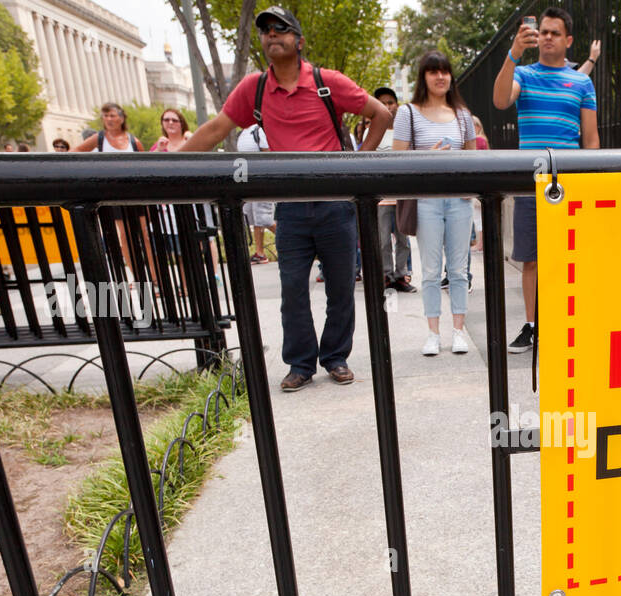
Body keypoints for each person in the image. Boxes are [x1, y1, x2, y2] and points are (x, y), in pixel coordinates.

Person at [179, 4, 392, 391]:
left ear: (299, 40)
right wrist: (170, 164)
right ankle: (299, 363)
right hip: (290, 209)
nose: (272, 35)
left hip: (334, 205)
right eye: (266, 31)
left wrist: (357, 163)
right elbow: (216, 128)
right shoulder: (254, 88)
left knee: (340, 287)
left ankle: (336, 357)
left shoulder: (327, 82)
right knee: (293, 290)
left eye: (281, 29)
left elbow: (380, 114)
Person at [492, 7, 598, 353]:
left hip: (569, 184)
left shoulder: (582, 81)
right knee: (531, 258)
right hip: (531, 182)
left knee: (570, 258)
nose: (548, 36)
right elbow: (499, 99)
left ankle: (570, 323)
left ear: (568, 40)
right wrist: (513, 53)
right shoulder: (524, 73)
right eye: (544, 31)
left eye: (555, 32)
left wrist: (590, 182)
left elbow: (591, 139)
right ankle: (533, 325)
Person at [393, 53, 476, 357]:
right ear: (423, 77)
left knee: (458, 269)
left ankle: (458, 331)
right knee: (430, 271)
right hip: (426, 200)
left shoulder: (463, 115)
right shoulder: (408, 113)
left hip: (458, 200)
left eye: (445, 72)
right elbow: (397, 158)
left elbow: (472, 157)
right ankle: (432, 333)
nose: (440, 77)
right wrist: (427, 153)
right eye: (433, 72)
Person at [372, 86, 415, 293]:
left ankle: (401, 275)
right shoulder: (373, 130)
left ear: (396, 105)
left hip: (401, 195)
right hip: (381, 196)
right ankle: (386, 276)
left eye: (390, 102)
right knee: (382, 240)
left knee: (403, 238)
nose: (387, 106)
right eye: (382, 102)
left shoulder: (403, 130)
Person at [237, 122, 276, 263]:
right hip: (250, 182)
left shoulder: (260, 130)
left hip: (262, 181)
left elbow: (269, 156)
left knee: (264, 219)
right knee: (254, 219)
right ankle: (259, 253)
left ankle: (291, 240)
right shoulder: (243, 132)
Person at [73, 103, 144, 152]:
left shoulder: (134, 142)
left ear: (122, 119)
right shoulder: (98, 138)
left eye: (112, 116)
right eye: (105, 116)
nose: (108, 119)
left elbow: (143, 165)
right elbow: (74, 152)